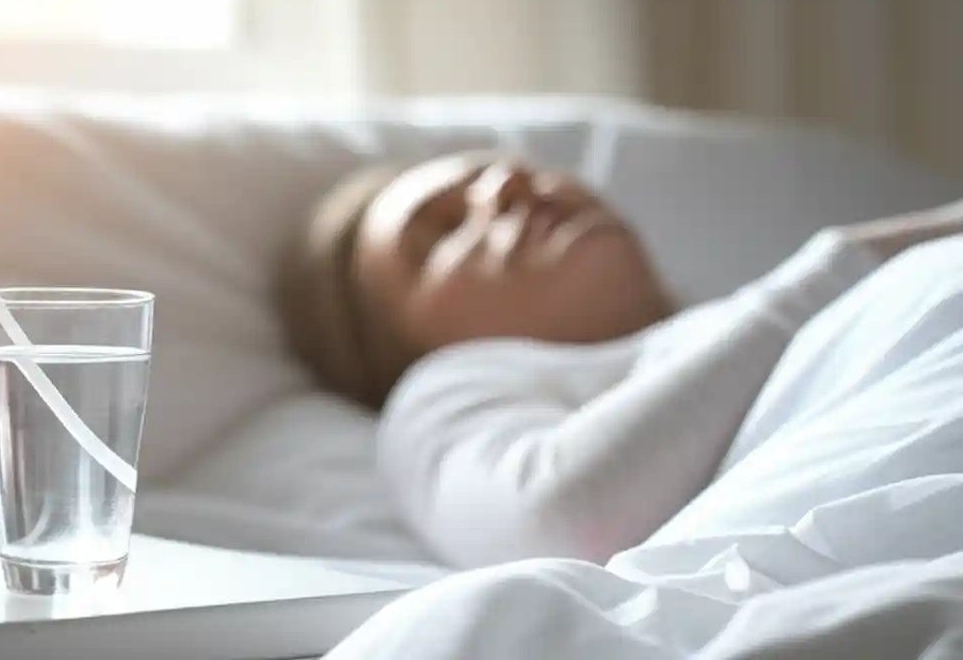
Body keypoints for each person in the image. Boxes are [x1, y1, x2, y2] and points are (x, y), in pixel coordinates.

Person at [277, 151, 963, 568]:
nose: (509, 183)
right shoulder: (446, 386)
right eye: (445, 230)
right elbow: (564, 521)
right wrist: (841, 263)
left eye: (505, 171)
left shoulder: (729, 327)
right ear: (391, 347)